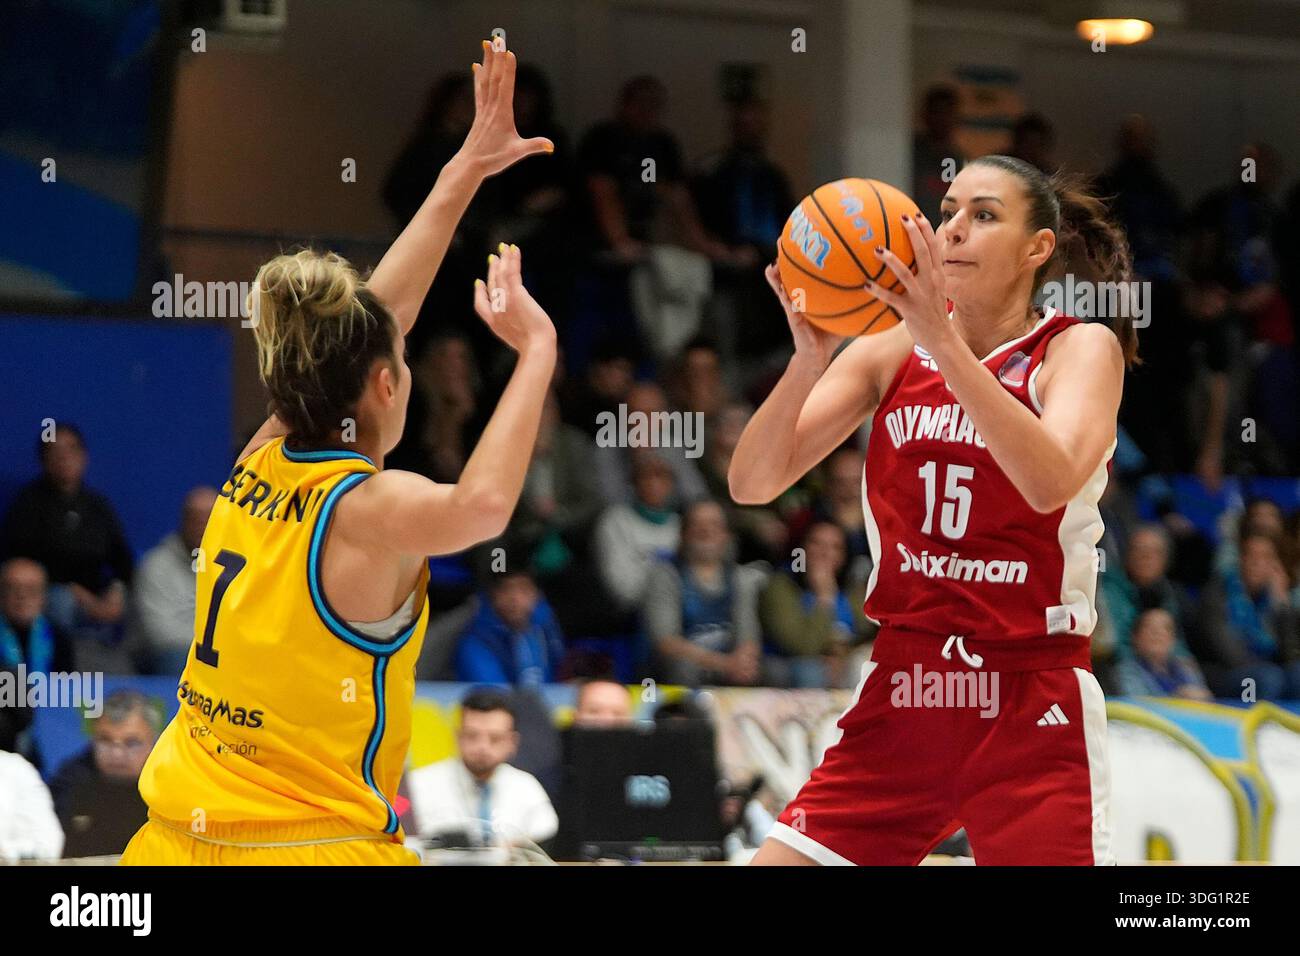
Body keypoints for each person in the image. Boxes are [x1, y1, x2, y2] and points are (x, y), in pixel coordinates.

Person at [120, 37, 558, 866]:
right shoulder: (365, 509)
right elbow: (482, 506)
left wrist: (463, 168)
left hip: (173, 839)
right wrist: (536, 355)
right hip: (308, 847)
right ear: (388, 389)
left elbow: (371, 324)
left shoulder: (261, 454)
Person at [731, 155, 1137, 865]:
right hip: (908, 686)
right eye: (948, 211)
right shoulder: (889, 349)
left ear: (1037, 249)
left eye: (983, 216)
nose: (952, 230)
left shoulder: (1077, 349)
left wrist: (944, 345)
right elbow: (752, 482)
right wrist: (807, 360)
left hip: (1030, 695)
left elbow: (1049, 482)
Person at [0, 423, 134, 672]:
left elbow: (122, 560)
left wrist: (115, 593)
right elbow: (20, 561)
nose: (65, 458)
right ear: (43, 461)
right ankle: (69, 672)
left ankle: (123, 680)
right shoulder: (28, 503)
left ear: (84, 457)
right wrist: (74, 592)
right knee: (61, 602)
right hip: (52, 593)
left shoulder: (98, 506)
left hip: (97, 595)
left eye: (72, 450)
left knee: (130, 605)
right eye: (56, 452)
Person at [406, 689, 558, 847]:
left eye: (495, 738)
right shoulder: (418, 784)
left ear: (512, 742)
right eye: (472, 736)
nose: (482, 747)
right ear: (458, 737)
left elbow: (546, 832)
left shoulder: (526, 786)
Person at [50, 690, 158, 857]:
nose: (116, 754)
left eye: (131, 743)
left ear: (153, 743)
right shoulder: (70, 781)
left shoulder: (170, 785)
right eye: (105, 741)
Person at [129, 486, 219, 676]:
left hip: (218, 652)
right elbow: (160, 634)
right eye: (197, 520)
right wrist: (211, 647)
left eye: (209, 520)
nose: (202, 528)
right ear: (184, 522)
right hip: (169, 655)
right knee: (181, 658)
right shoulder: (156, 565)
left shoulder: (237, 564)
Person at [454, 568, 567, 687]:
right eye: (506, 589)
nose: (514, 598)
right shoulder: (476, 641)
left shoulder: (546, 631)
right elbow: (493, 693)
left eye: (523, 589)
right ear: (492, 595)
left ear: (537, 594)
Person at [1113, 609, 1212, 700]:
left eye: (1166, 628)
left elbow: (1206, 697)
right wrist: (1178, 697)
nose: (1158, 633)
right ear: (1135, 637)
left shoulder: (1186, 666)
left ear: (1173, 639)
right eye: (1150, 628)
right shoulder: (1126, 671)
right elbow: (1138, 704)